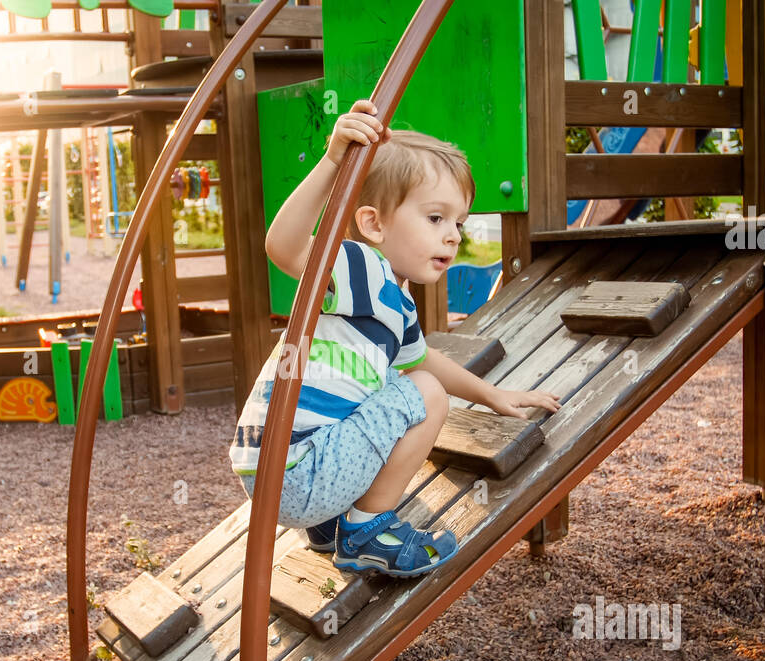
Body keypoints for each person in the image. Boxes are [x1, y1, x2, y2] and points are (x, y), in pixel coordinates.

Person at [230, 99, 561, 578]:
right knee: (424, 395)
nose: (452, 236)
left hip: (275, 469)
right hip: (297, 468)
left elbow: (423, 359)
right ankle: (366, 531)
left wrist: (492, 395)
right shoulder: (359, 266)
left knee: (411, 383)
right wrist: (330, 164)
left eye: (459, 223)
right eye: (435, 218)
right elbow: (282, 247)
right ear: (373, 224)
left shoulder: (396, 305)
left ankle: (334, 523)